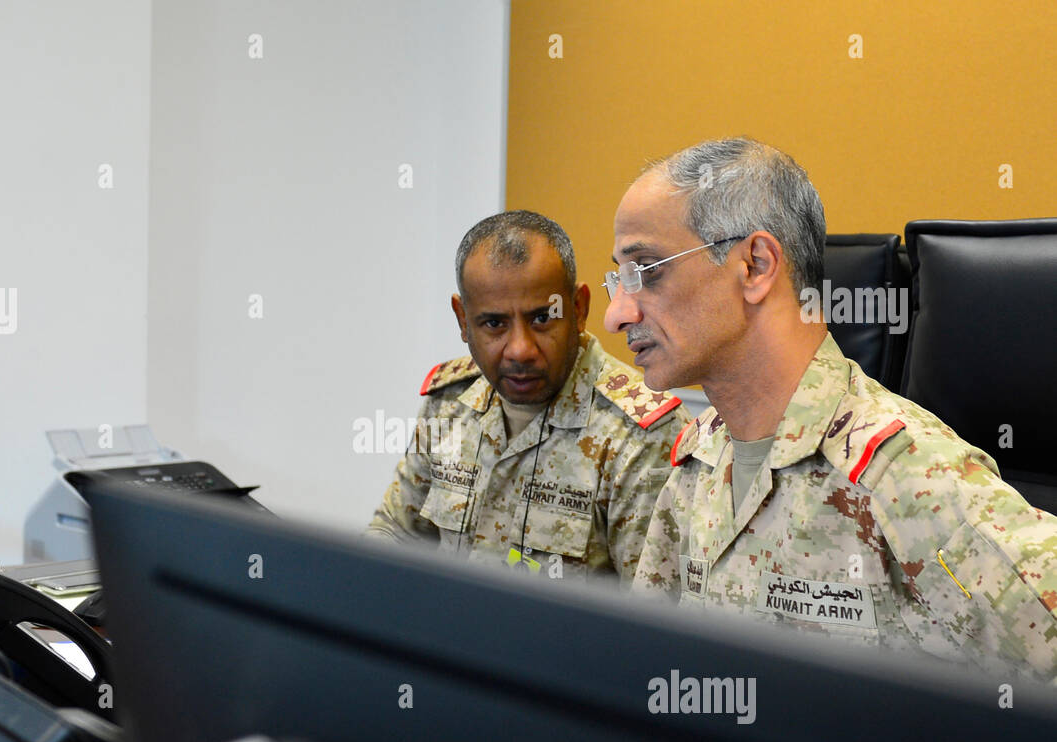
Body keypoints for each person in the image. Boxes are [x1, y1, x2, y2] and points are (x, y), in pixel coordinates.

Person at [604, 137, 1057, 681]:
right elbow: (653, 669)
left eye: (647, 270)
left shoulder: (906, 473)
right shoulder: (697, 458)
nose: (617, 313)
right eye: (620, 277)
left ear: (754, 265)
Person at [368, 210, 689, 582]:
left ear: (579, 309)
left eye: (542, 319)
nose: (520, 349)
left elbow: (652, 616)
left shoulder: (640, 436)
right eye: (494, 324)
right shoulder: (449, 402)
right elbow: (395, 535)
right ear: (462, 321)